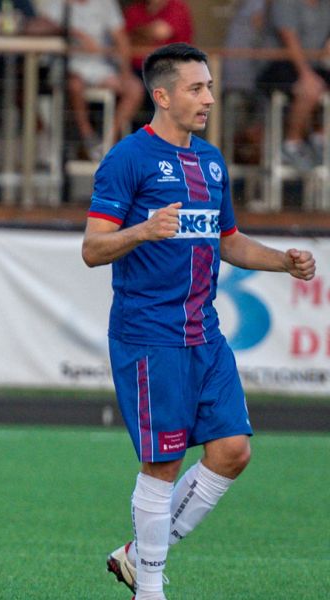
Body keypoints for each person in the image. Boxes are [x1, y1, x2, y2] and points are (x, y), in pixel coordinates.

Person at [81, 43, 317, 600]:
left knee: (233, 450)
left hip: (204, 333)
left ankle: (137, 557)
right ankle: (151, 589)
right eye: (196, 88)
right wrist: (141, 230)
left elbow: (228, 240)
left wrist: (283, 262)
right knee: (162, 463)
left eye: (209, 87)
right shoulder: (127, 159)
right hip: (149, 334)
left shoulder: (211, 161)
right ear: (161, 96)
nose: (209, 97)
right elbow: (92, 249)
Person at [39, 0, 144, 160]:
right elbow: (41, 26)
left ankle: (108, 141)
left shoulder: (106, 4)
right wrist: (74, 33)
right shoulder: (57, 3)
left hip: (100, 66)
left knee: (134, 89)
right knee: (74, 84)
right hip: (68, 65)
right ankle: (87, 137)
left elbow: (121, 38)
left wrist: (125, 71)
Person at [255, 0, 330, 169]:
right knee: (310, 88)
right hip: (276, 66)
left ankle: (321, 138)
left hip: (313, 65)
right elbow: (289, 40)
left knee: (315, 84)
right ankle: (292, 144)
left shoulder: (325, 5)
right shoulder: (285, 3)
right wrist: (306, 75)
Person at [122, 0, 193, 71]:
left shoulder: (177, 6)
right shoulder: (134, 9)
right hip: (136, 69)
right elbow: (123, 38)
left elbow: (161, 32)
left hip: (172, 69)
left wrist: (137, 33)